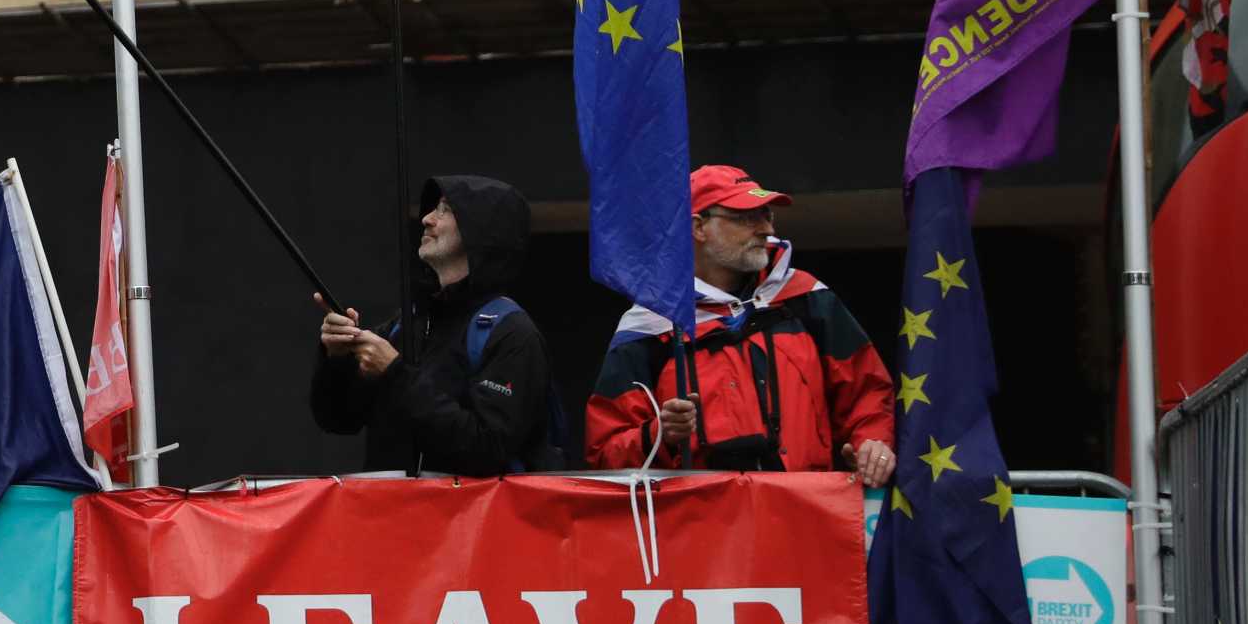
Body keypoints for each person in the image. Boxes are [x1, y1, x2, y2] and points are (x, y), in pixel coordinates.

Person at [581, 164, 897, 484]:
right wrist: (659, 434)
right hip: (699, 512)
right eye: (746, 218)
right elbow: (605, 453)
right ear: (698, 227)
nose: (766, 229)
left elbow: (866, 394)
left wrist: (872, 444)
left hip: (805, 507)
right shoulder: (652, 325)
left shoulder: (806, 300)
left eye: (767, 215)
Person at [310, 175, 557, 476]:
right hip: (387, 506)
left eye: (445, 209)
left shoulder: (512, 333)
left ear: (482, 229)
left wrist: (394, 373)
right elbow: (338, 420)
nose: (426, 219)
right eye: (432, 209)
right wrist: (337, 359)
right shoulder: (405, 324)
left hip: (471, 508)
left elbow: (489, 449)